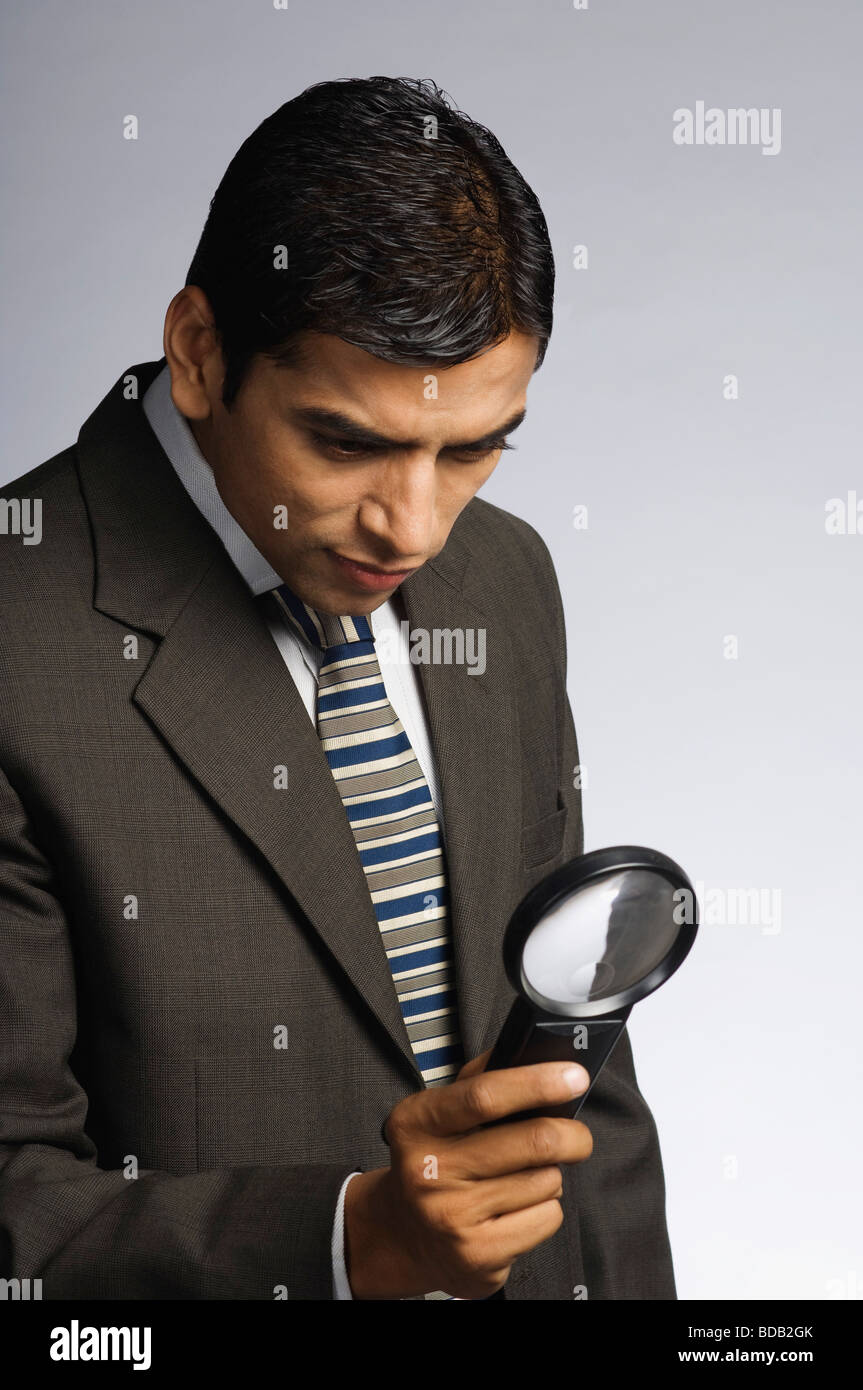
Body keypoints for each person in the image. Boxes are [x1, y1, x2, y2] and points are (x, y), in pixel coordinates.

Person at [0, 75, 675, 1300]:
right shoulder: (17, 641)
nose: (411, 525)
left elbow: (579, 1081)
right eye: (346, 441)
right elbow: (14, 1217)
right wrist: (348, 1244)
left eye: (471, 447)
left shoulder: (505, 578)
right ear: (200, 354)